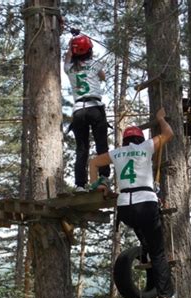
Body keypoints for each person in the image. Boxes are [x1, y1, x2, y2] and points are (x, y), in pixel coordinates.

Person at [88, 107, 177, 298]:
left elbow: (93, 162)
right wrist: (160, 118)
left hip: (125, 209)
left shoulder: (117, 153)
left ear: (125, 141)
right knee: (158, 252)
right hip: (146, 202)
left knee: (146, 240)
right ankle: (165, 294)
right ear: (140, 138)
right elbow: (169, 134)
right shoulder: (146, 147)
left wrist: (98, 185)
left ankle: (149, 270)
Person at [64, 31, 110, 192]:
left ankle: (80, 185)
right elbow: (103, 77)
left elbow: (68, 54)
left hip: (78, 111)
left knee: (81, 149)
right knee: (101, 145)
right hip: (95, 108)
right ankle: (103, 178)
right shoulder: (95, 65)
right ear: (90, 51)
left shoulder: (69, 68)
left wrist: (73, 41)